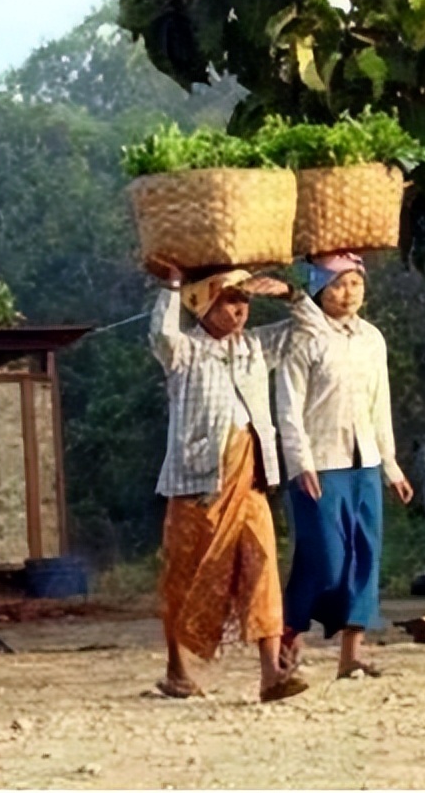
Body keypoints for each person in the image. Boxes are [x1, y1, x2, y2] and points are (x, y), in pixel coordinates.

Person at [149, 262, 319, 703]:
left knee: (262, 567)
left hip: (253, 479)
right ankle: (177, 669)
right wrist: (171, 286)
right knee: (183, 576)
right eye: (229, 299)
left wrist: (291, 294)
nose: (240, 309)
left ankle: (271, 675)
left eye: (244, 300)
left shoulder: (257, 348)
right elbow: (160, 333)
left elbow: (312, 331)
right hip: (197, 481)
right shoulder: (185, 352)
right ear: (204, 303)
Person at [275, 252, 414, 679]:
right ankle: (289, 630)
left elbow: (379, 405)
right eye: (338, 284)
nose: (348, 293)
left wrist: (391, 466)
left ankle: (352, 654)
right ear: (319, 288)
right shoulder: (304, 339)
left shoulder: (372, 339)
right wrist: (301, 463)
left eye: (355, 283)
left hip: (364, 461)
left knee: (365, 556)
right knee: (325, 558)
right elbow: (289, 408)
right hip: (321, 463)